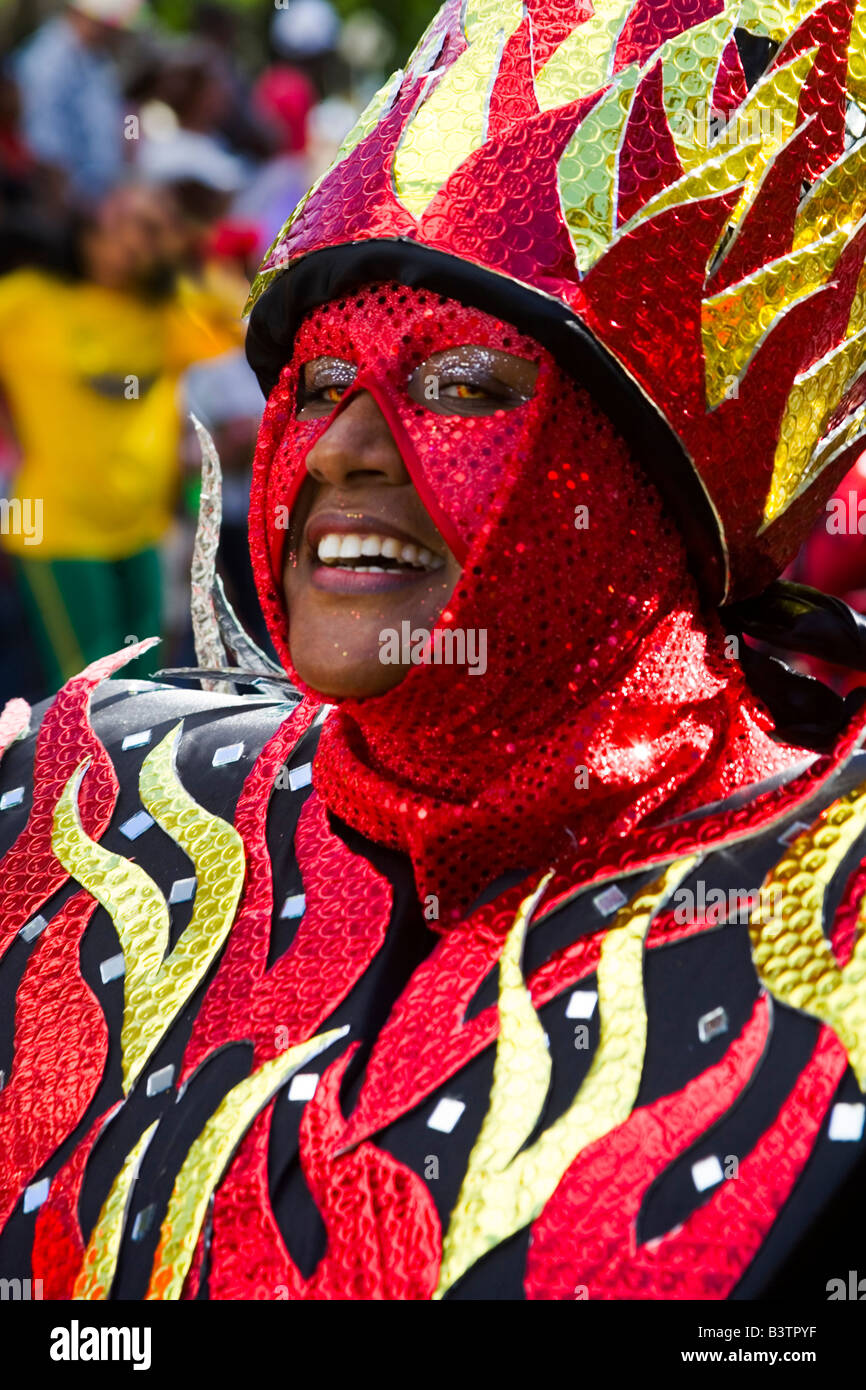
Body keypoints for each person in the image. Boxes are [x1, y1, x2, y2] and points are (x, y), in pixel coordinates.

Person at [0, 0, 864, 1304]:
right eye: (320, 383)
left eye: (462, 385)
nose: (342, 447)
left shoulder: (828, 917)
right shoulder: (99, 805)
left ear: (640, 487)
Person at [0, 181, 242, 689]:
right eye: (125, 223)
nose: (135, 240)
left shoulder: (169, 312)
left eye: (154, 230)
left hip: (143, 531)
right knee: (89, 694)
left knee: (145, 687)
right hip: (57, 531)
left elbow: (244, 317)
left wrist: (187, 252)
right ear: (89, 228)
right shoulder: (27, 302)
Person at [13, 0, 140, 204]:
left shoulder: (98, 60)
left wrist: (131, 135)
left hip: (99, 199)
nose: (114, 32)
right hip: (66, 203)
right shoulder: (47, 60)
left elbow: (124, 119)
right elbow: (43, 144)